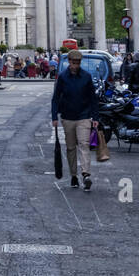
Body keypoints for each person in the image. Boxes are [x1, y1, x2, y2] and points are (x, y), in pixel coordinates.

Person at [51, 48, 98, 190]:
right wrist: (54, 117)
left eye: (78, 63)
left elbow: (93, 98)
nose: (75, 66)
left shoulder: (87, 77)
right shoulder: (62, 77)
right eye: (73, 63)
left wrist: (95, 116)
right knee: (71, 148)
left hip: (84, 116)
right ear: (69, 62)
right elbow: (55, 98)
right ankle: (73, 175)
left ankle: (86, 174)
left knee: (84, 144)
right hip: (67, 117)